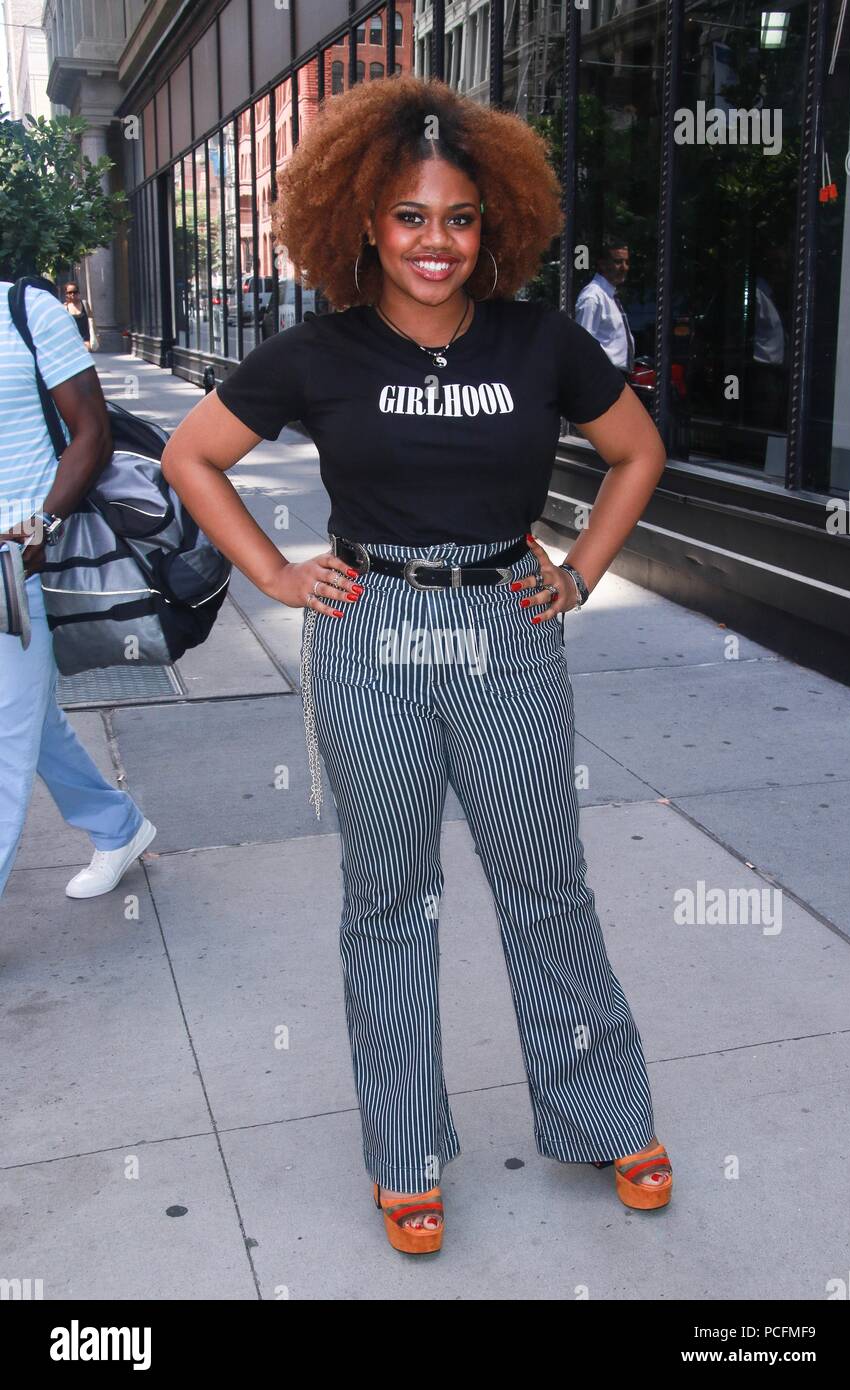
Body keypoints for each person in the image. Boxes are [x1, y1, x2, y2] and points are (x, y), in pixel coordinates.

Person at [160, 75, 672, 1256]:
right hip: (371, 630)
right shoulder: (317, 351)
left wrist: (579, 570)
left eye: (456, 218)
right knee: (389, 899)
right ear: (362, 222)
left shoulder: (535, 341)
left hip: (506, 626)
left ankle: (601, 1114)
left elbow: (634, 452)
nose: (433, 242)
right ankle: (403, 1150)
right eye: (406, 216)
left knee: (547, 883)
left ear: (494, 223)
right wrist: (281, 577)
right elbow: (192, 457)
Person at [0, 273, 156, 902]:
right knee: (28, 724)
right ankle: (117, 826)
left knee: (6, 736)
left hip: (15, 562)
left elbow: (90, 430)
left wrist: (40, 526)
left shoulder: (25, 310)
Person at [575, 238, 635, 378]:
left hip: (617, 375)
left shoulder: (610, 296)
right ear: (602, 264)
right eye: (618, 262)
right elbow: (583, 346)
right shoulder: (592, 297)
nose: (624, 267)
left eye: (626, 262)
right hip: (604, 376)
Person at [62, 281, 93, 351]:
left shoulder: (84, 304)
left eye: (75, 292)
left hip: (85, 340)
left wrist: (95, 335)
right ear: (66, 294)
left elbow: (91, 320)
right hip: (71, 341)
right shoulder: (64, 307)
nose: (72, 294)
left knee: (86, 352)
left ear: (78, 292)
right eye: (69, 292)